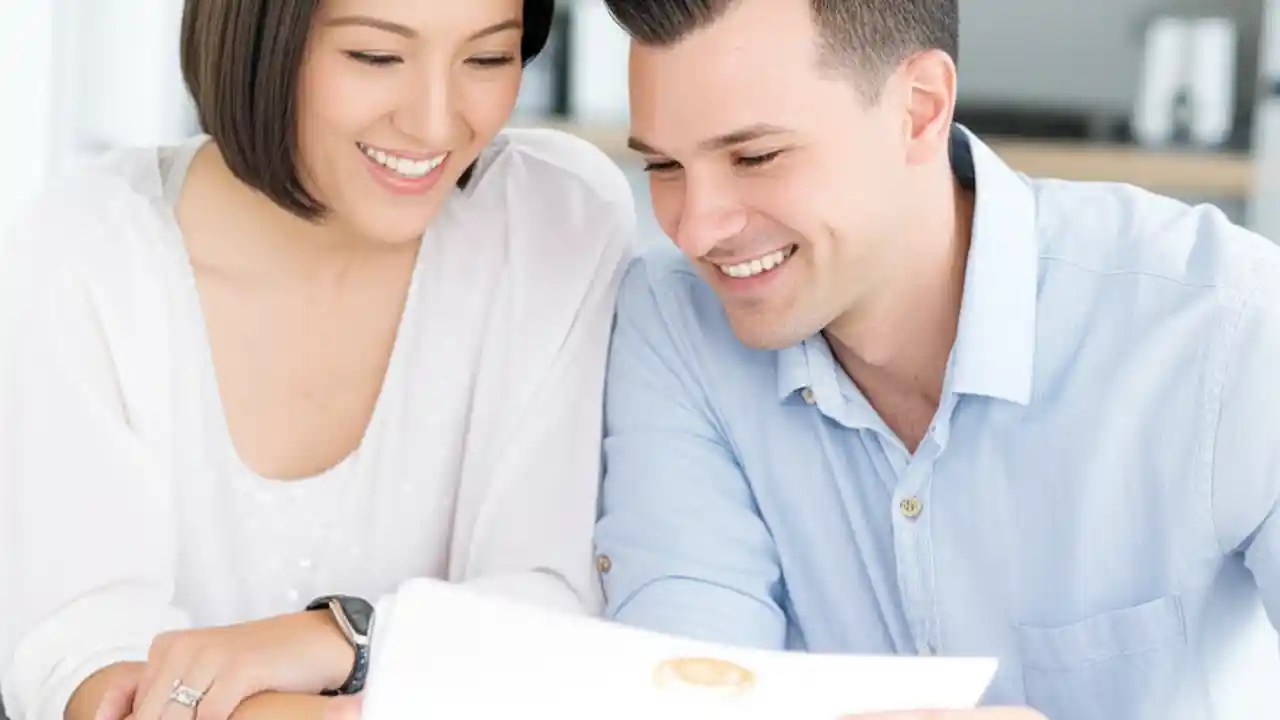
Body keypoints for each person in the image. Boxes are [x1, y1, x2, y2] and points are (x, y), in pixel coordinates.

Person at [593, 0, 1280, 718]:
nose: (697, 228)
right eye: (664, 165)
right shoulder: (674, 323)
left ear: (919, 110)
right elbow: (685, 693)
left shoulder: (1224, 326)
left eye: (756, 156)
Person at [0, 0, 634, 718]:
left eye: (487, 59)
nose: (435, 121)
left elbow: (551, 611)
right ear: (257, 38)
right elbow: (79, 662)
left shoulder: (555, 222)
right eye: (375, 57)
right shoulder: (86, 255)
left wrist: (337, 637)